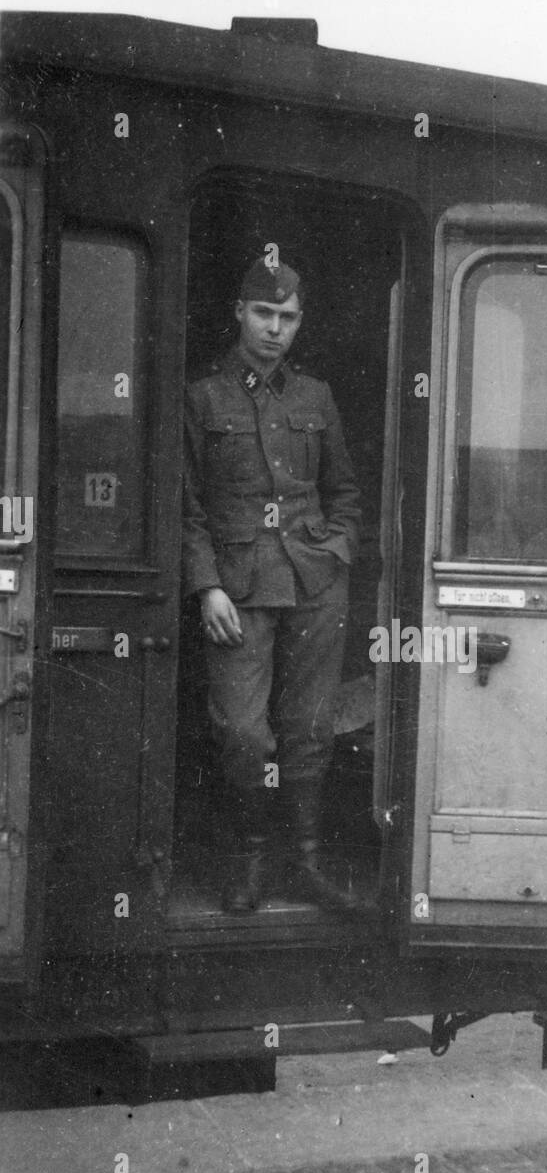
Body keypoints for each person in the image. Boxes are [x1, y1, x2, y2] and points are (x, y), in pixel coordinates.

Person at [182, 255, 362, 913]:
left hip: (314, 582)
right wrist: (206, 588)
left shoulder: (315, 396)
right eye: (263, 313)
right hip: (237, 586)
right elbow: (186, 503)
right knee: (242, 732)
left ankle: (306, 864)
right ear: (239, 312)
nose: (274, 328)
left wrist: (337, 550)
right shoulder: (201, 395)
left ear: (299, 322)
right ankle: (249, 857)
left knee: (310, 727)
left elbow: (343, 490)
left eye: (287, 317)